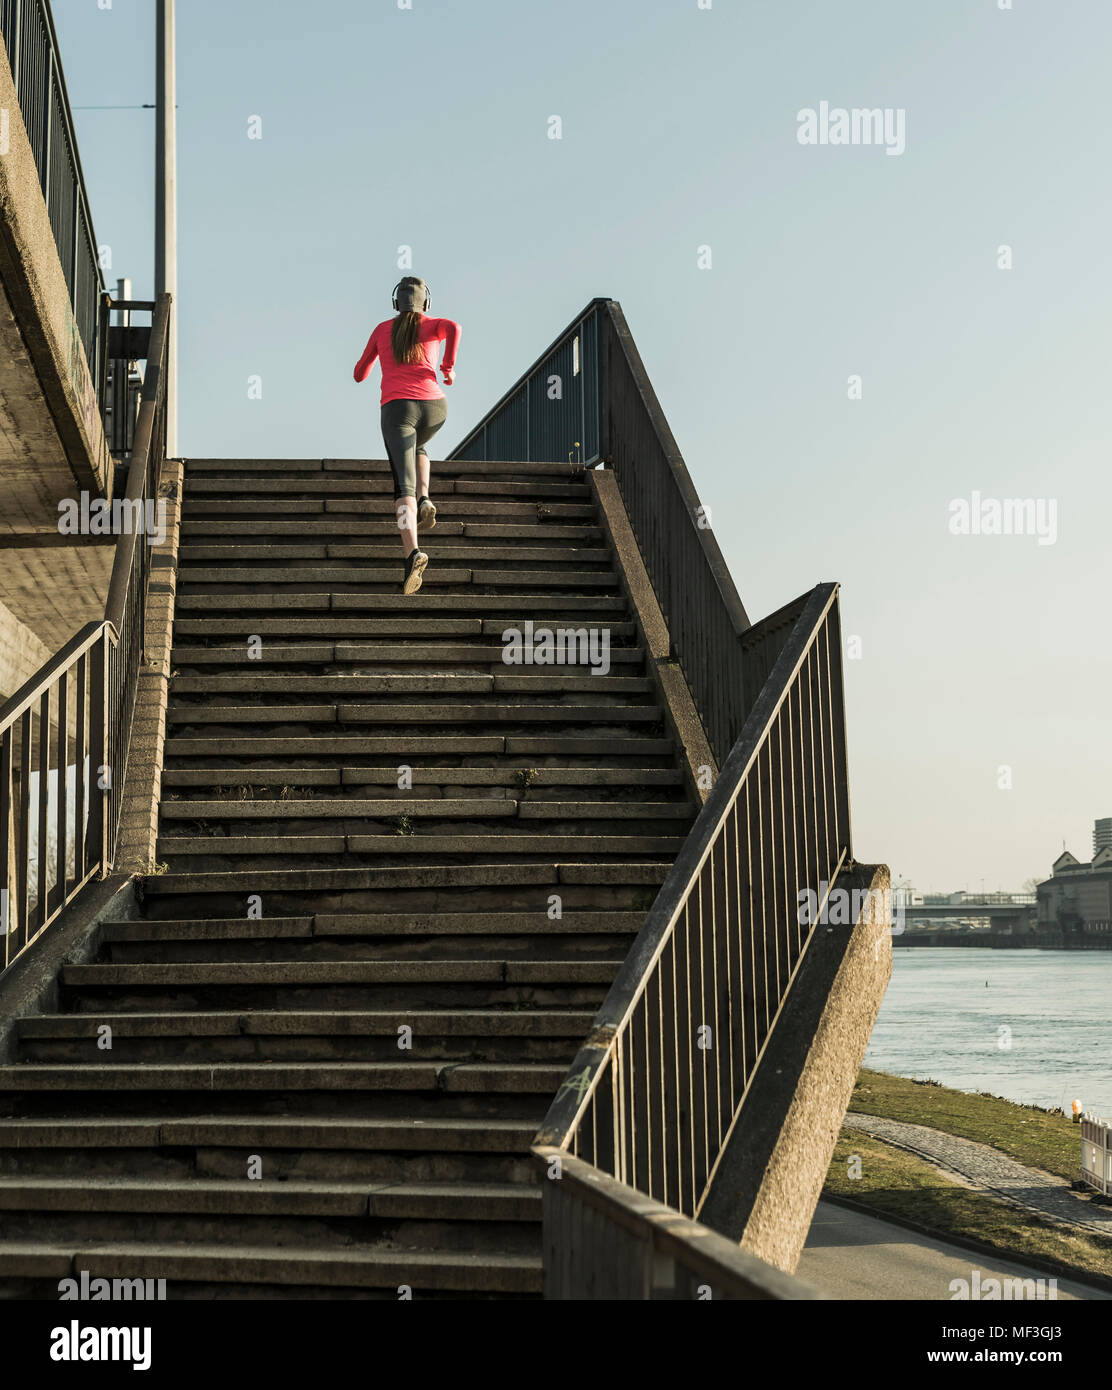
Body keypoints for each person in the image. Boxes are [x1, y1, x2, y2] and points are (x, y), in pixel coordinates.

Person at [353, 277, 461, 593]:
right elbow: (454, 327)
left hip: (398, 410)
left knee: (403, 486)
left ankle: (412, 551)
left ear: (395, 303)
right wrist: (447, 367)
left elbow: (359, 374)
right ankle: (425, 498)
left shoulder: (382, 330)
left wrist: (371, 364)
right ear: (425, 303)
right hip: (435, 408)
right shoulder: (431, 325)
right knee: (420, 444)